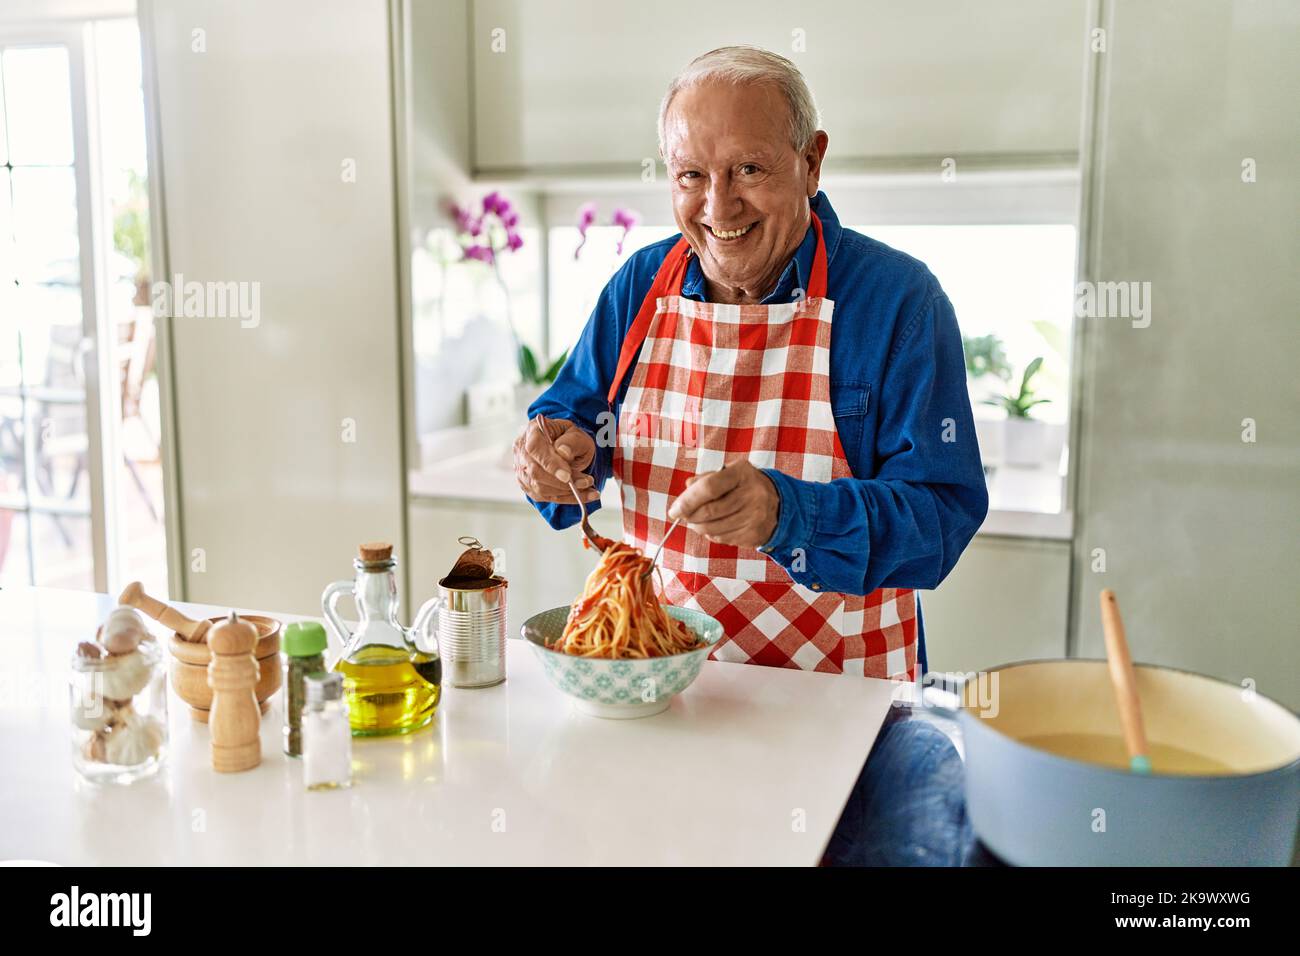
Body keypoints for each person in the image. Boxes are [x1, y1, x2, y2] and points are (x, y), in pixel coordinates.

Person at [514, 46, 988, 864]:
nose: (717, 206)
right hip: (665, 693)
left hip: (849, 706)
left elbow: (941, 515)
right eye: (690, 175)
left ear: (812, 162)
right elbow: (574, 421)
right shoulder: (639, 288)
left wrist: (787, 513)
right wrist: (554, 453)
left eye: (748, 170)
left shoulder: (899, 301)